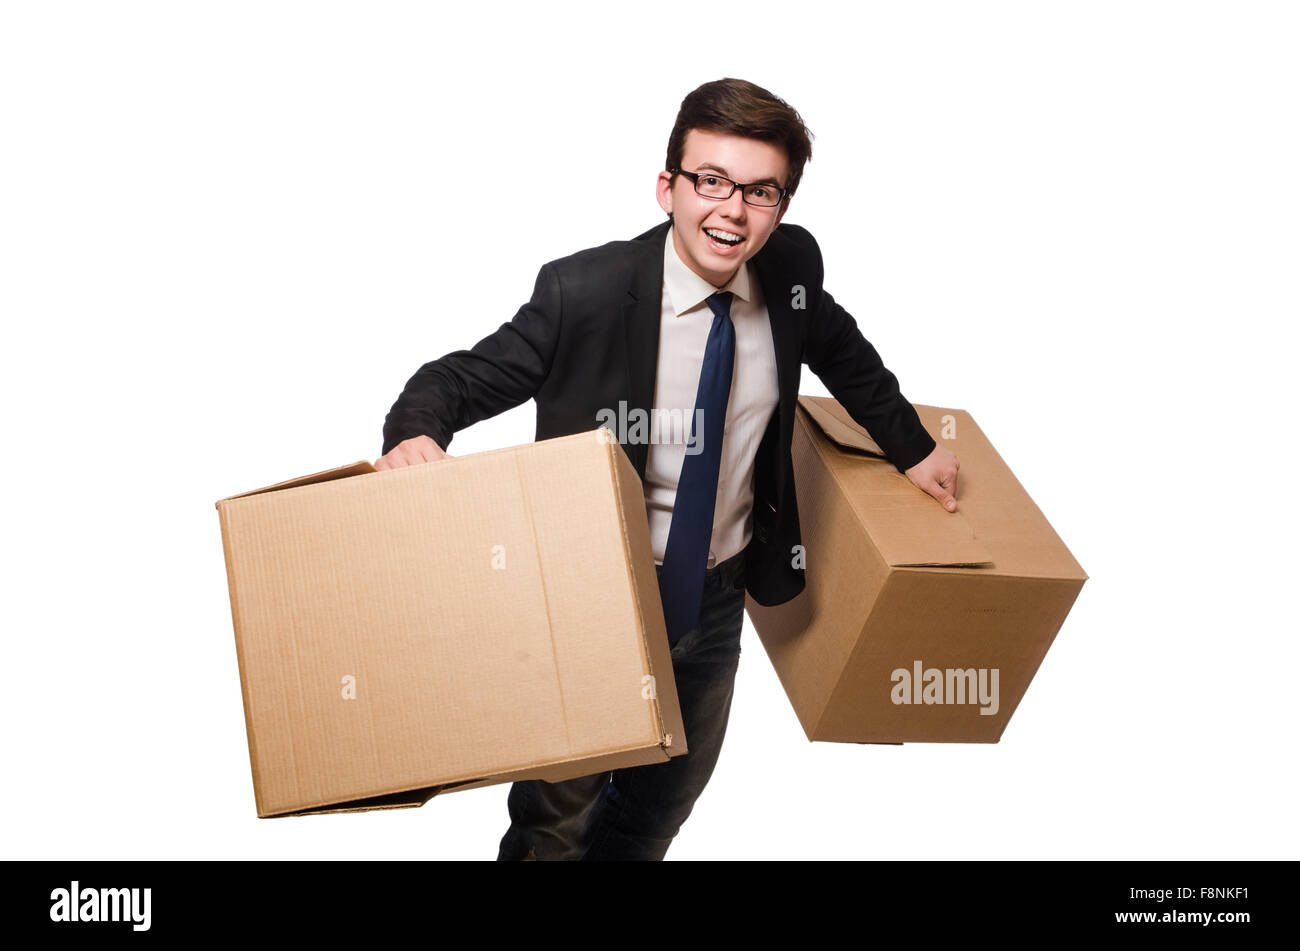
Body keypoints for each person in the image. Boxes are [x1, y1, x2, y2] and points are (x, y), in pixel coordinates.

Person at [375, 78, 960, 860]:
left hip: (715, 602)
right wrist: (417, 433)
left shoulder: (790, 270)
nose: (733, 211)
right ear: (668, 188)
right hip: (596, 593)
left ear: (782, 205)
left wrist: (915, 448)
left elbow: (846, 355)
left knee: (658, 810)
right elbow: (457, 377)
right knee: (557, 820)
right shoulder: (581, 291)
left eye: (760, 190)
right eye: (711, 181)